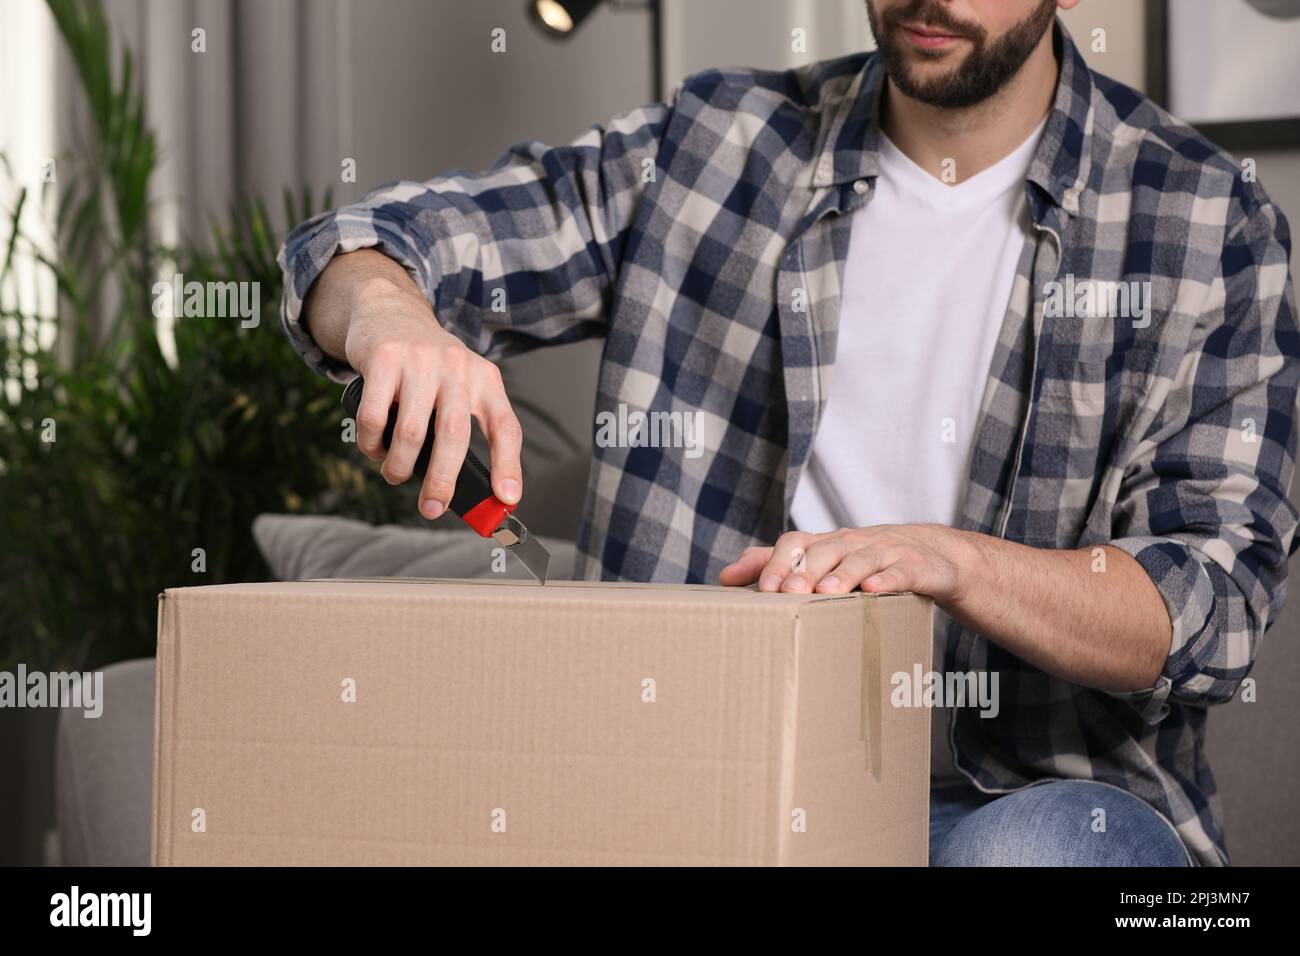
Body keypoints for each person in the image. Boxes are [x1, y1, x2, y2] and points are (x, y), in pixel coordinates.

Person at [277, 0, 1298, 866]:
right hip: (692, 778)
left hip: (1020, 802)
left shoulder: (1209, 221)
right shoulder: (716, 142)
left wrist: (946, 561)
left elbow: (1207, 609)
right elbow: (365, 243)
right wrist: (390, 317)